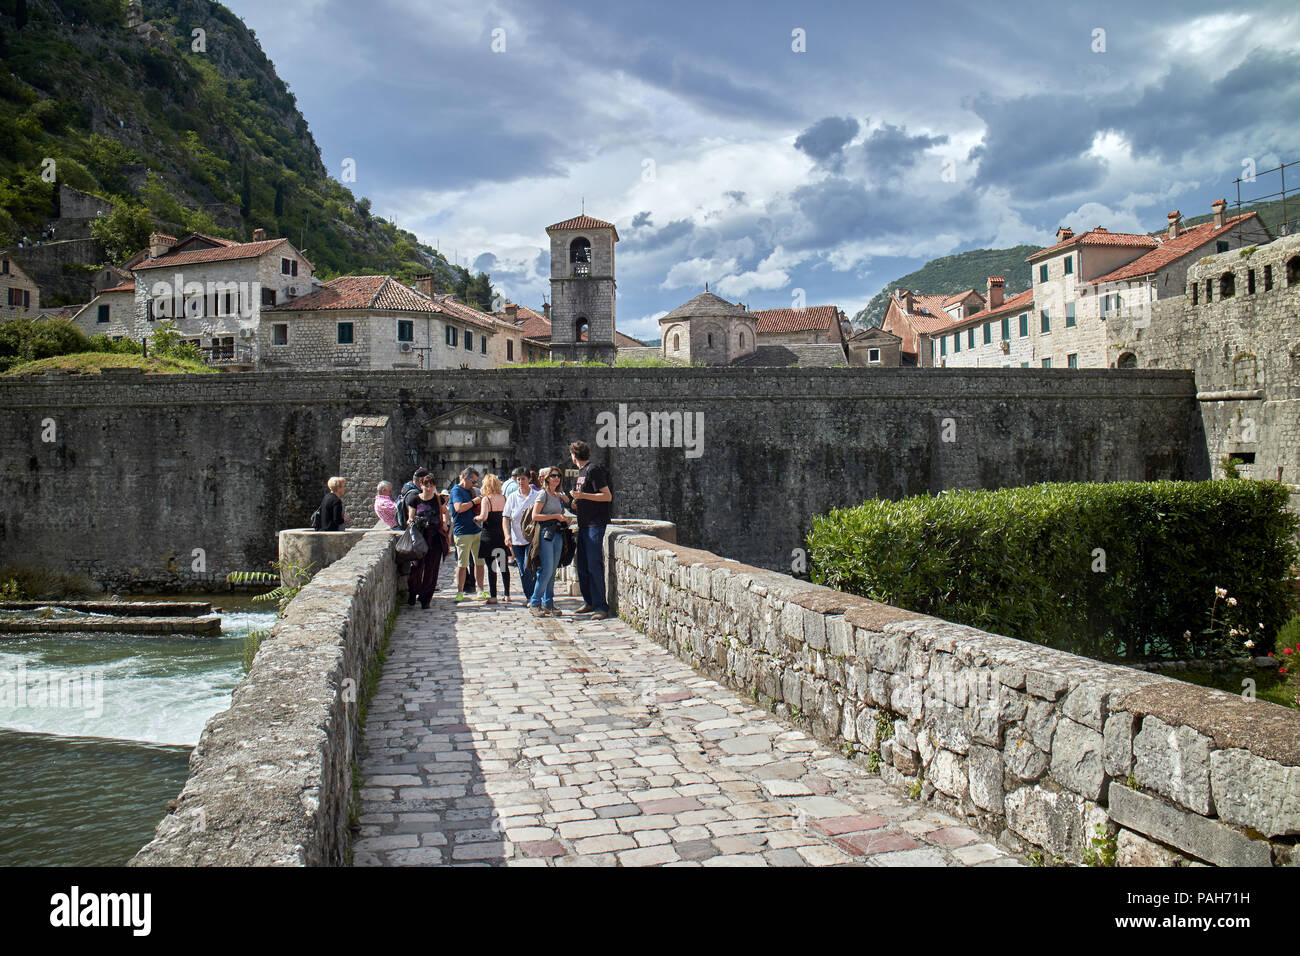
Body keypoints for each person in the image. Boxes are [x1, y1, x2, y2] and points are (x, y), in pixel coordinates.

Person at [568, 441, 612, 620]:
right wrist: (575, 502)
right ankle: (589, 601)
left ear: (574, 455)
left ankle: (601, 606)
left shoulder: (593, 470)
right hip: (584, 524)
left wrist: (582, 496)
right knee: (583, 565)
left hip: (595, 524)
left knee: (594, 565)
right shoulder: (581, 473)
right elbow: (586, 498)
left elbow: (607, 496)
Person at [528, 466, 572, 617]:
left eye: (558, 475)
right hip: (546, 534)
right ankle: (535, 602)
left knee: (553, 570)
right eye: (553, 475)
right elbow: (535, 516)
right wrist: (555, 516)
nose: (556, 478)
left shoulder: (557, 496)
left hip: (557, 534)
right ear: (546, 478)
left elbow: (560, 513)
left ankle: (548, 603)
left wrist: (565, 518)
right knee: (546, 570)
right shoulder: (543, 494)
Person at [402, 474, 444, 609]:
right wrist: (412, 521)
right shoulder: (415, 499)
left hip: (435, 538)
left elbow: (444, 513)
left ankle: (426, 598)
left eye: (431, 485)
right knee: (416, 567)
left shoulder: (438, 499)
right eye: (426, 485)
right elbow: (410, 517)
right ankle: (413, 593)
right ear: (421, 485)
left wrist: (445, 524)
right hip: (420, 537)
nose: (429, 488)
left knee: (431, 569)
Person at [449, 467, 488, 602]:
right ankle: (460, 591)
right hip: (463, 532)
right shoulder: (456, 491)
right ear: (465, 478)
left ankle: (481, 589)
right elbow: (459, 508)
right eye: (473, 481)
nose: (475, 484)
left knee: (480, 562)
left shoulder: (471, 490)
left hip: (476, 530)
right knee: (462, 564)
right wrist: (474, 502)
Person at [504, 470, 539, 602]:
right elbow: (506, 517)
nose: (520, 482)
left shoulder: (536, 496)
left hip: (532, 538)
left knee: (530, 567)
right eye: (518, 479)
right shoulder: (512, 497)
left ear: (529, 479)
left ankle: (534, 597)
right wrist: (507, 534)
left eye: (523, 479)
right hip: (516, 539)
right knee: (523, 570)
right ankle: (530, 596)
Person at [477, 473, 511, 605]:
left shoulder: (487, 499)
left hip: (489, 537)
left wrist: (476, 518)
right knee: (504, 566)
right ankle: (507, 594)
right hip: (501, 535)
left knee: (491, 567)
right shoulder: (504, 498)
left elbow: (484, 517)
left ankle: (493, 596)